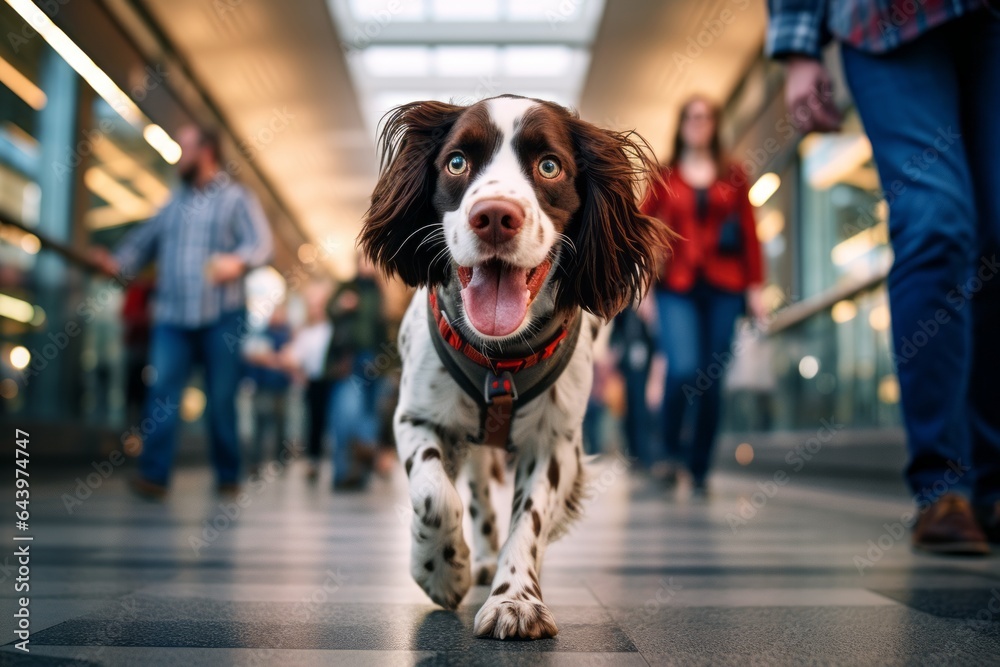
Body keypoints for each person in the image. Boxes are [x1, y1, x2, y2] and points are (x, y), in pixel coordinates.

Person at [767, 0, 1000, 553]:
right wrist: (798, 46)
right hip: (885, 22)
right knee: (935, 223)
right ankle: (944, 485)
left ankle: (993, 483)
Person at [93, 125, 273, 499]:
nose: (179, 155)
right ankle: (154, 476)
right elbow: (140, 245)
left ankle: (228, 476)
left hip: (221, 316)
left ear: (206, 151)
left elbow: (261, 243)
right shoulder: (173, 204)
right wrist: (115, 262)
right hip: (172, 318)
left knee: (220, 399)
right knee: (161, 394)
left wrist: (236, 263)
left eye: (184, 148)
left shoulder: (236, 198)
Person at [642, 96, 766, 497]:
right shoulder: (665, 175)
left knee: (711, 379)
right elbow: (641, 231)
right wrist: (642, 290)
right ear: (681, 124)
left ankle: (699, 466)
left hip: (724, 286)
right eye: (691, 117)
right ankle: (669, 452)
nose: (698, 124)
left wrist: (756, 287)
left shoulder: (733, 175)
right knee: (682, 368)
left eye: (705, 117)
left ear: (715, 125)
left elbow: (749, 233)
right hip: (675, 286)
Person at [324, 257, 388, 490]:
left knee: (368, 420)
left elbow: (386, 332)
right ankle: (341, 472)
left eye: (372, 263)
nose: (367, 267)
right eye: (364, 262)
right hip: (349, 360)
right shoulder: (347, 287)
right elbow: (329, 310)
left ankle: (360, 475)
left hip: (375, 362)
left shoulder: (381, 293)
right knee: (345, 414)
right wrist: (342, 305)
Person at [281, 282, 334, 482]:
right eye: (312, 305)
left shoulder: (332, 328)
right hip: (313, 382)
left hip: (331, 381)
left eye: (319, 304)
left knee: (333, 419)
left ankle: (337, 460)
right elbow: (295, 357)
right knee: (314, 422)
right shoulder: (305, 331)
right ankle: (314, 460)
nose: (316, 309)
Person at [242, 303, 293, 476]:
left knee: (281, 425)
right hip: (263, 387)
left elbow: (291, 359)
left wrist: (273, 360)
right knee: (260, 424)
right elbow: (253, 356)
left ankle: (280, 462)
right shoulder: (262, 333)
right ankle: (255, 462)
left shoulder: (288, 334)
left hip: (281, 388)